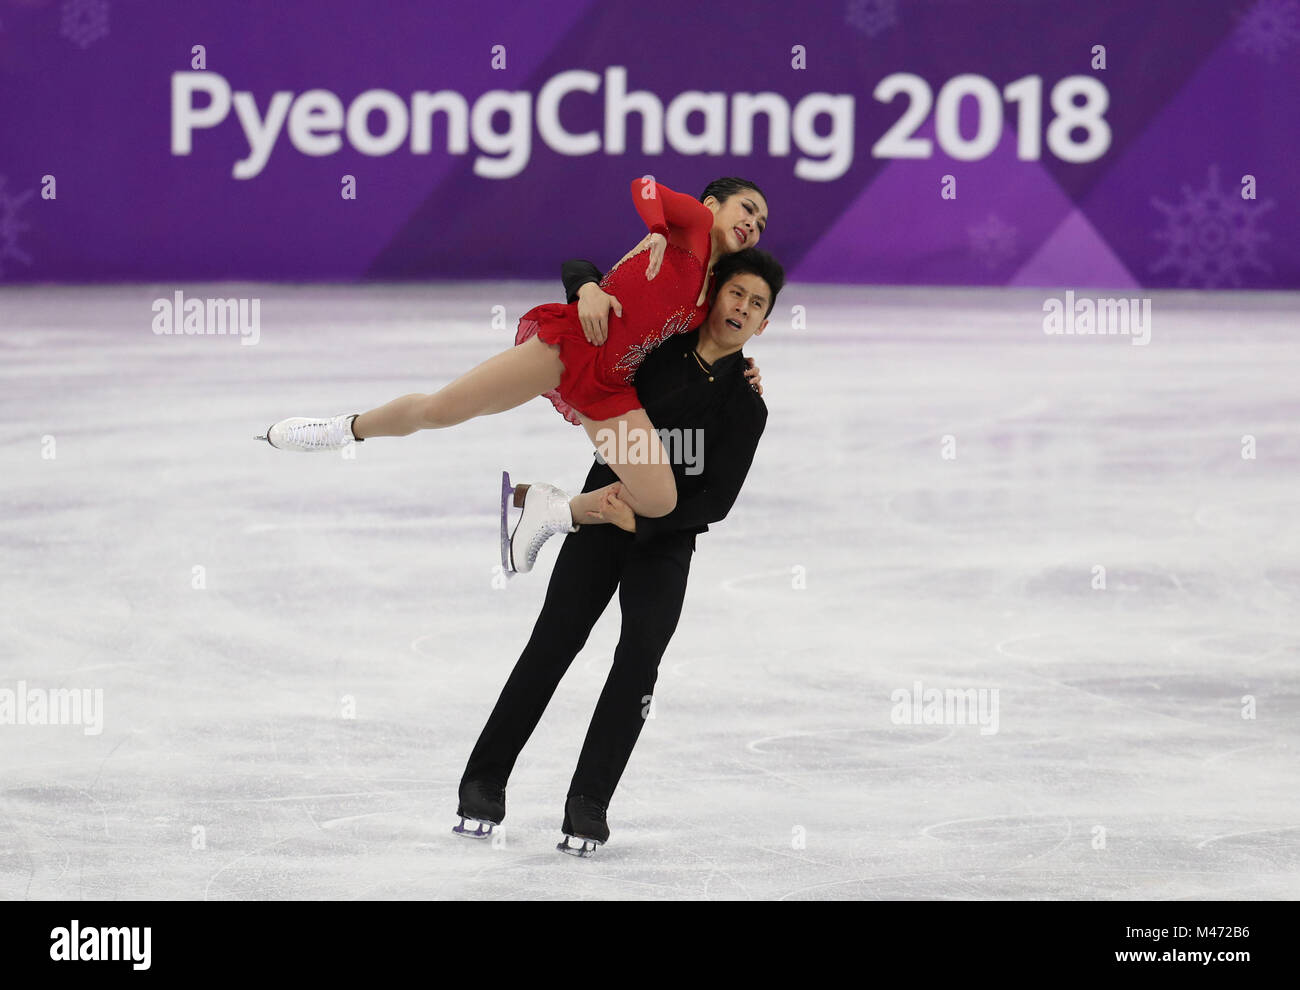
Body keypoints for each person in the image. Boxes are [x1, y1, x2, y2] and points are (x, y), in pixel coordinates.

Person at [454, 247, 785, 856]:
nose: (742, 307)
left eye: (756, 304)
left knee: (637, 665)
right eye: (736, 293)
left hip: (666, 543)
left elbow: (718, 499)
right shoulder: (656, 352)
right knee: (553, 642)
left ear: (764, 324)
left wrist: (649, 520)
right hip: (602, 512)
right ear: (715, 297)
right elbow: (580, 269)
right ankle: (482, 781)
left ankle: (588, 802)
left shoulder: (748, 405)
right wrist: (587, 291)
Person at [258, 176, 769, 544]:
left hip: (611, 390)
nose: (752, 223)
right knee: (443, 410)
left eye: (762, 223)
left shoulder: (712, 292)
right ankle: (345, 429)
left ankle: (551, 511)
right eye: (746, 208)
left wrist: (743, 370)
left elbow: (713, 342)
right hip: (570, 349)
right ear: (712, 204)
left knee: (660, 499)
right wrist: (655, 230)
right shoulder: (692, 225)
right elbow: (646, 186)